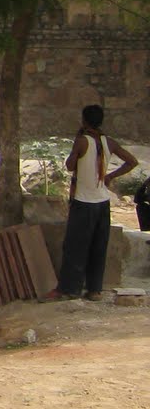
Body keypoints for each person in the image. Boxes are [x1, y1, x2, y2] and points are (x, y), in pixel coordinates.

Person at [48, 104, 138, 301]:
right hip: (102, 203)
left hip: (83, 202)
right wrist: (110, 176)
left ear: (84, 120)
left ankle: (69, 289)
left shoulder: (82, 142)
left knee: (74, 247)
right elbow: (132, 161)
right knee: (98, 246)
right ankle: (94, 290)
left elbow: (70, 166)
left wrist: (75, 145)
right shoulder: (109, 142)